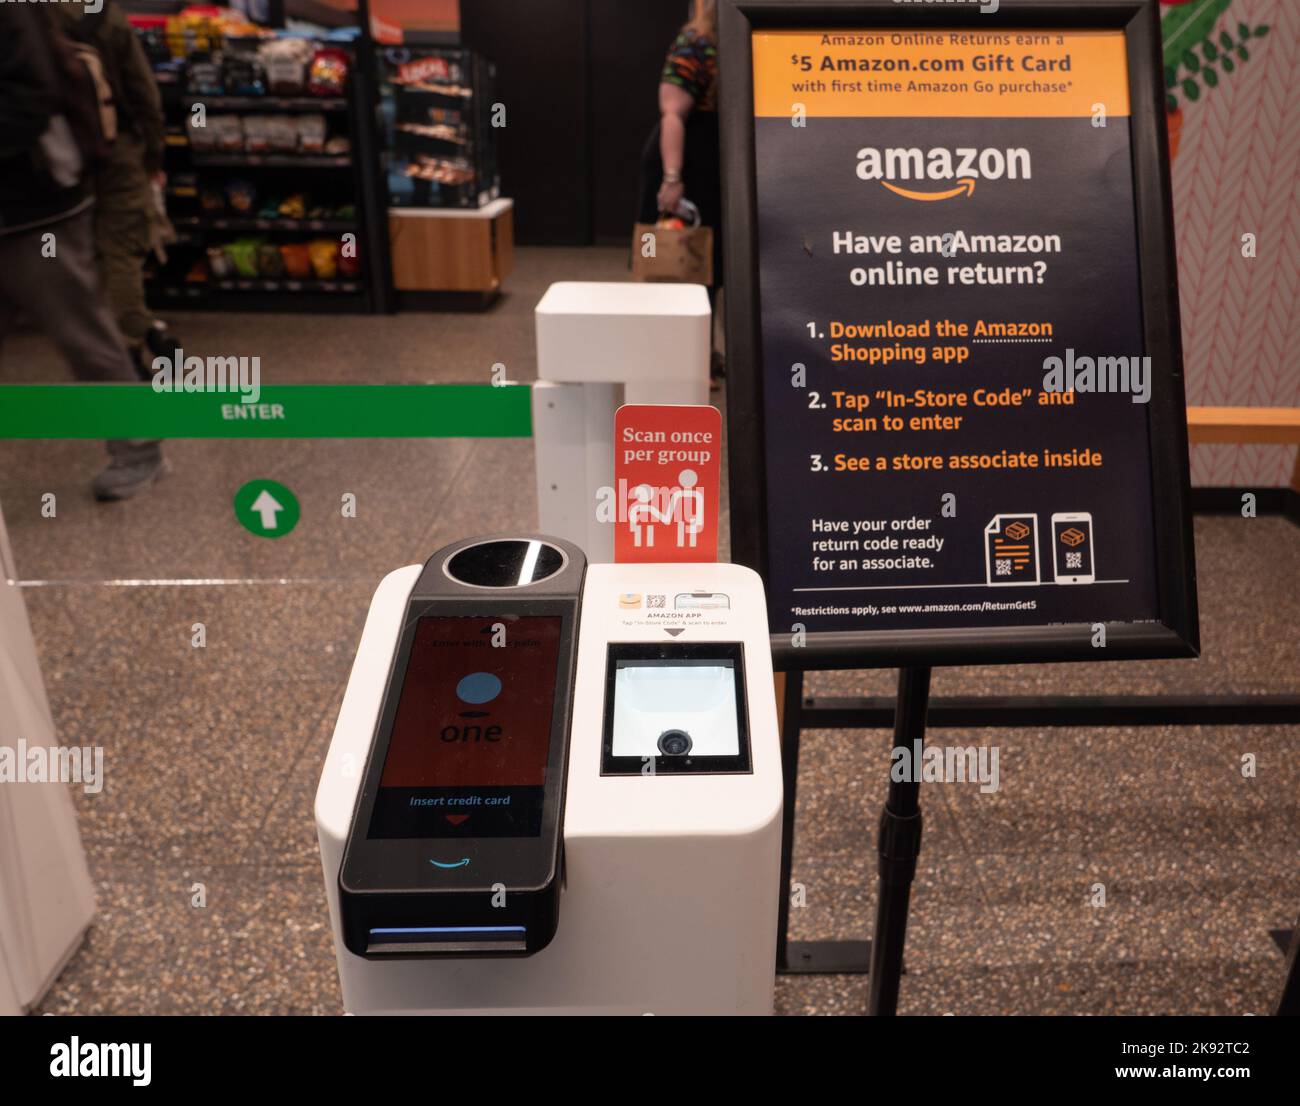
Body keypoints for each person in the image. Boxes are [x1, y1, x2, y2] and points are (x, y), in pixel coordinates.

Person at [0, 7, 168, 500]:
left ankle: (139, 448)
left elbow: (31, 98)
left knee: (81, 331)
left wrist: (154, 153)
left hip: (35, 209)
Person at [57, 0, 179, 374]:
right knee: (123, 250)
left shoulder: (33, 16)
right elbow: (144, 93)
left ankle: (122, 342)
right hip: (118, 150)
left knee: (85, 255)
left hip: (61, 158)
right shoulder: (106, 16)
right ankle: (134, 341)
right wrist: (155, 154)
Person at [638, 1, 724, 371]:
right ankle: (684, 361)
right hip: (687, 161)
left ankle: (704, 353)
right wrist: (673, 180)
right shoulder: (697, 39)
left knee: (716, 266)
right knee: (689, 266)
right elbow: (672, 111)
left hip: (716, 163)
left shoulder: (735, 35)